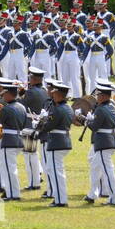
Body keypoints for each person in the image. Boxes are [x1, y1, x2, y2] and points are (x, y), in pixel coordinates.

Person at [36, 79, 73, 207]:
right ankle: (60, 198)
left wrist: (39, 123)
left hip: (56, 142)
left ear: (59, 94)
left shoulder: (58, 109)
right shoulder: (67, 107)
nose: (52, 93)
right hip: (63, 141)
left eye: (54, 92)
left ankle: (60, 200)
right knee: (57, 171)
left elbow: (48, 126)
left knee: (55, 172)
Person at [84, 82, 115, 205]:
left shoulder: (101, 109)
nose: (97, 97)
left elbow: (95, 126)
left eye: (99, 95)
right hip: (109, 140)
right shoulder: (112, 107)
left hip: (103, 142)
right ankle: (92, 194)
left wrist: (87, 121)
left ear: (105, 96)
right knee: (95, 168)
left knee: (107, 171)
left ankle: (114, 198)